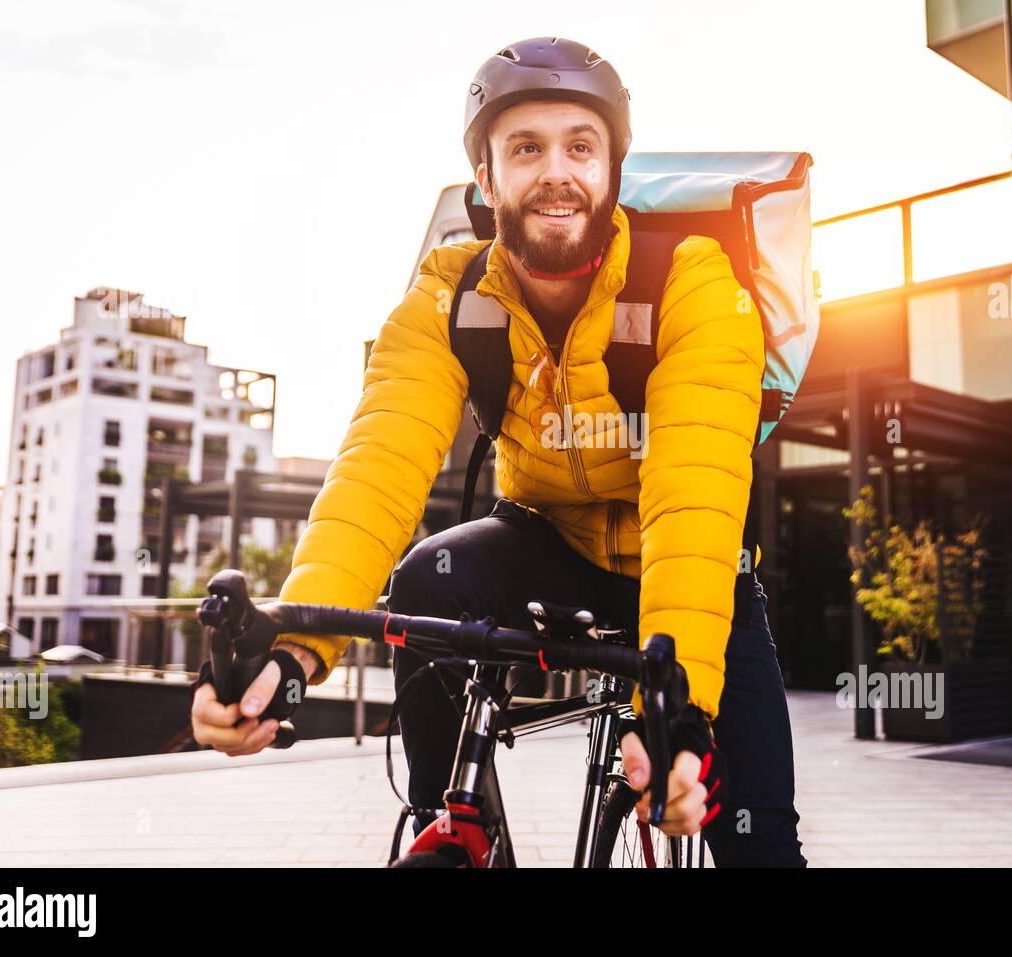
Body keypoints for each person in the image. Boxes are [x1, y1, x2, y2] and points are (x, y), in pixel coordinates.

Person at [191, 36, 805, 867]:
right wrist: (295, 650)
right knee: (425, 580)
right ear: (486, 179)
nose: (557, 172)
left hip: (694, 577)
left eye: (581, 147)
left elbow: (695, 496)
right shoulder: (449, 294)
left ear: (612, 172)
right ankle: (458, 829)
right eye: (526, 148)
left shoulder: (694, 282)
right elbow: (377, 469)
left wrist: (680, 710)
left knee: (760, 844)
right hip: (546, 542)